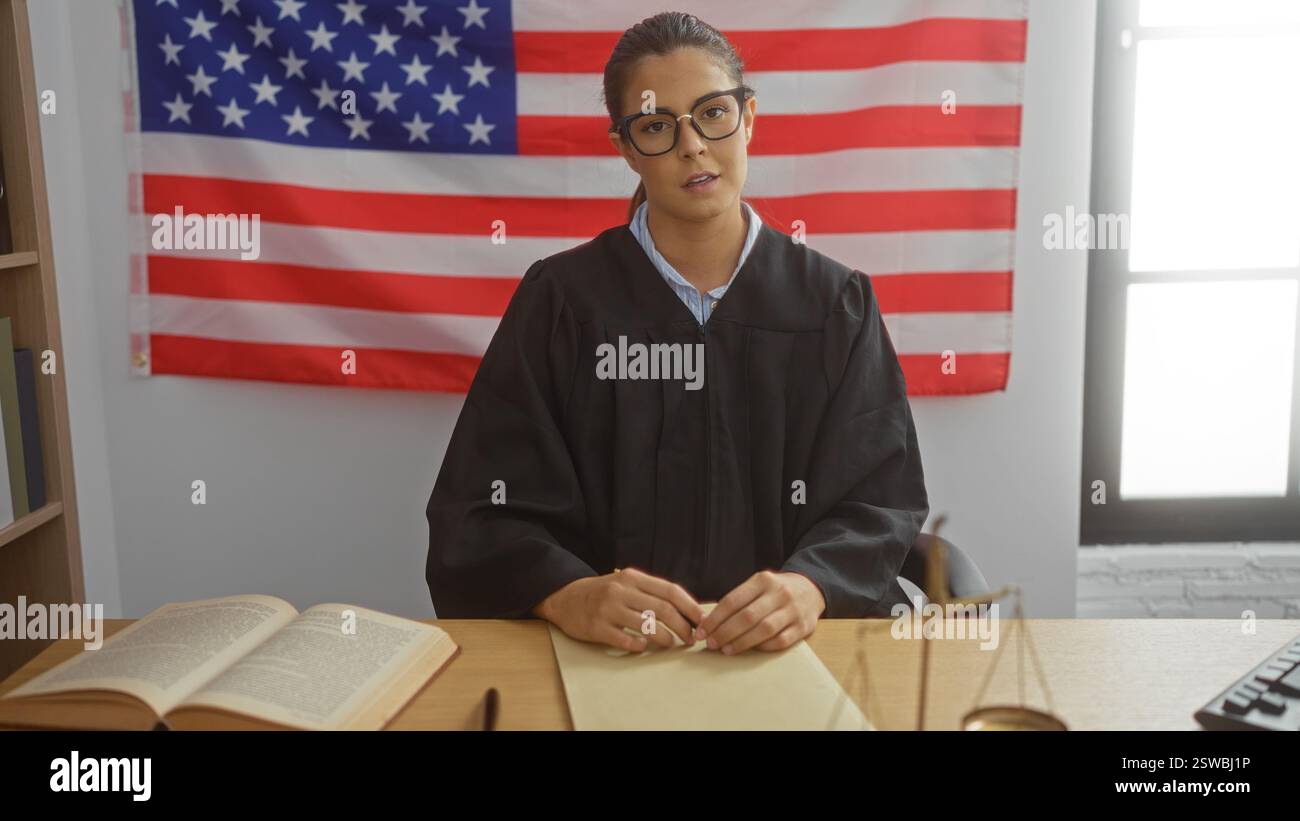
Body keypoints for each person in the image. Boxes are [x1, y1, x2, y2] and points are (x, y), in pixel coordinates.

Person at [425, 11, 928, 655]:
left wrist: (812, 585)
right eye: (657, 126)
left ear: (748, 117)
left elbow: (880, 502)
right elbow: (481, 510)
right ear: (625, 147)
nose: (692, 146)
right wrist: (568, 593)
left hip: (790, 656)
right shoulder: (562, 302)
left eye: (713, 113)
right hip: (607, 660)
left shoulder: (834, 304)